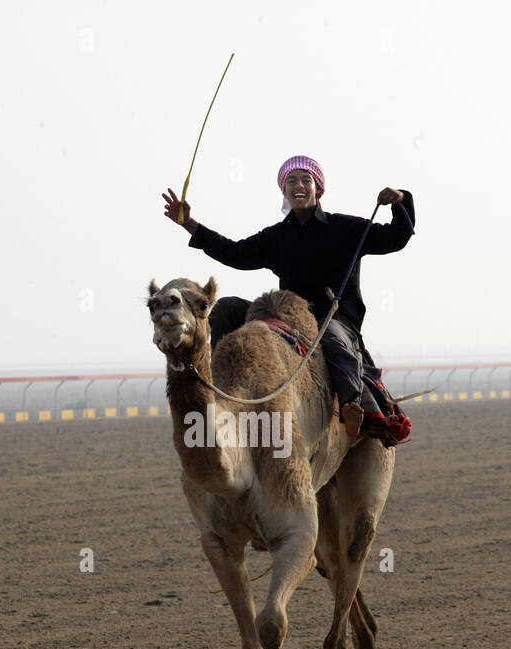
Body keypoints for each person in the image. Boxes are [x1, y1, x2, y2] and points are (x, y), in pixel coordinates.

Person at [161, 155, 414, 438]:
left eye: (306, 180)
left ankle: (350, 406)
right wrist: (189, 223)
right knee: (226, 308)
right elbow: (234, 253)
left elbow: (397, 237)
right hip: (284, 316)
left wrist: (400, 199)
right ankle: (223, 388)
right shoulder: (276, 237)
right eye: (291, 181)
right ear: (283, 190)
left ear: (318, 188)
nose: (299, 186)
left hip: (332, 318)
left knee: (331, 339)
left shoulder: (346, 228)